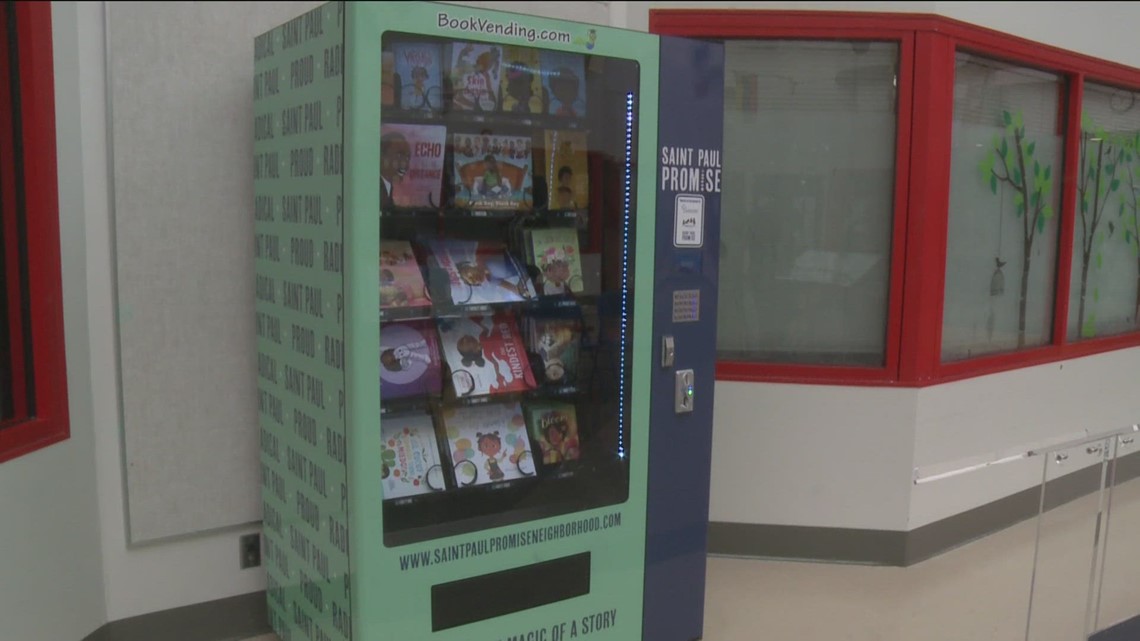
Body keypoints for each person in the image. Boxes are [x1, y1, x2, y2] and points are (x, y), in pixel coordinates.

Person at [380, 132, 411, 210]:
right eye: (399, 155)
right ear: (382, 157)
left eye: (407, 157)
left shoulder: (388, 185)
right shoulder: (374, 187)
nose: (405, 164)